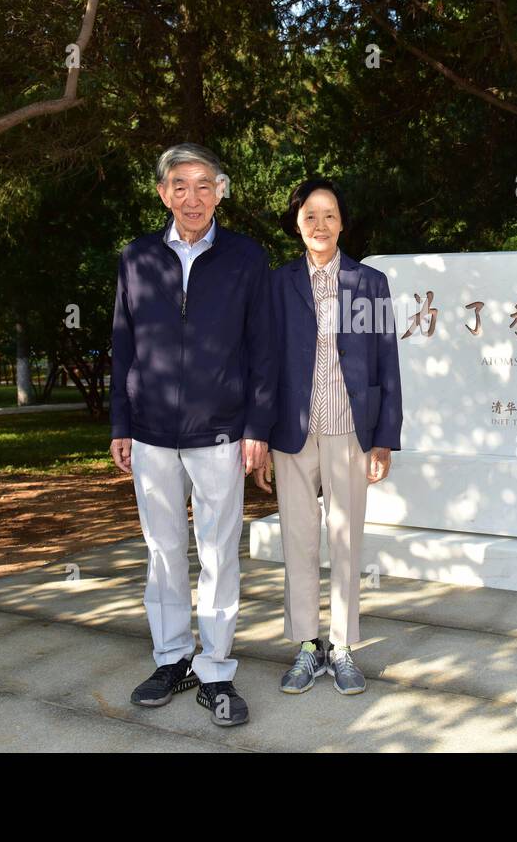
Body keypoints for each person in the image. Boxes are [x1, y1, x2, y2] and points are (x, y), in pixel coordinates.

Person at [110, 142, 275, 727]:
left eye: (204, 184)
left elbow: (264, 350)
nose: (193, 196)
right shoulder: (136, 258)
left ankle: (215, 666)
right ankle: (171, 657)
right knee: (161, 552)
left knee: (218, 554)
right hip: (151, 432)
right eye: (180, 184)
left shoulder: (246, 258)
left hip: (221, 434)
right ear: (163, 193)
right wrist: (120, 424)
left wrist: (257, 427)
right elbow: (123, 345)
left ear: (220, 192)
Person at [254, 178, 402, 696]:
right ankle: (305, 646)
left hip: (350, 432)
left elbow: (387, 359)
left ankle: (340, 647)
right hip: (292, 433)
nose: (320, 224)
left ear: (343, 222)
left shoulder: (371, 282)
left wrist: (384, 437)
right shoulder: (278, 284)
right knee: (297, 539)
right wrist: (260, 434)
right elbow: (264, 363)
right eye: (310, 216)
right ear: (298, 223)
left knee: (345, 540)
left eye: (330, 215)